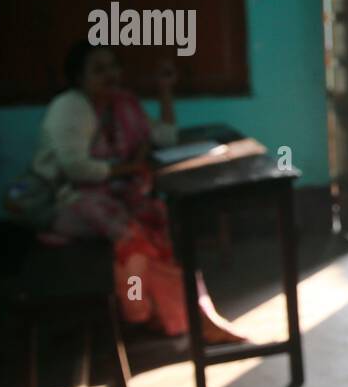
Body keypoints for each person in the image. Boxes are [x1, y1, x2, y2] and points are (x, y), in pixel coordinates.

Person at [31, 40, 246, 343]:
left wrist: (165, 91)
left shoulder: (123, 103)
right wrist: (128, 170)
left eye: (113, 67)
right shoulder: (69, 107)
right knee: (135, 236)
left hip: (114, 195)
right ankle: (154, 312)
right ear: (79, 78)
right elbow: (76, 168)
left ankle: (169, 313)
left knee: (160, 222)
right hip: (69, 202)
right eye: (99, 70)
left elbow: (164, 137)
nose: (110, 75)